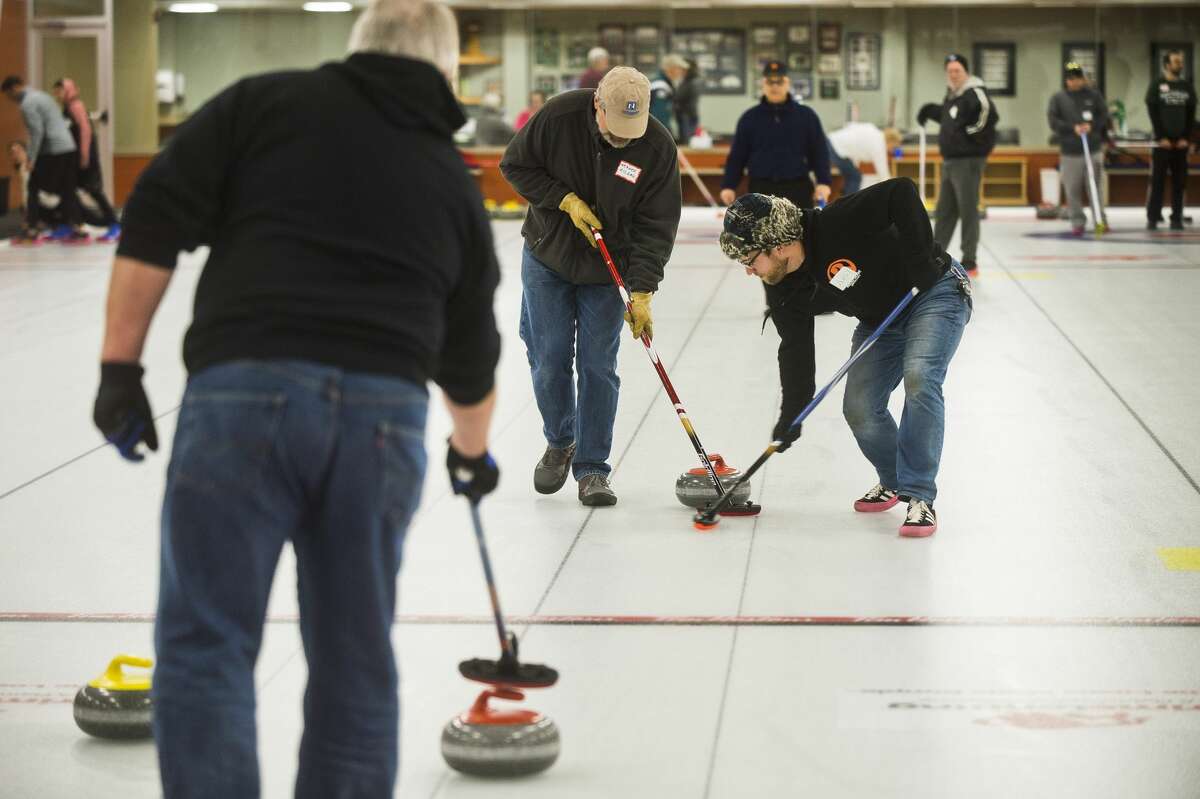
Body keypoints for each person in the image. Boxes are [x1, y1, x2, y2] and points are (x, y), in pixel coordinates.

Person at [89, 1, 501, 796]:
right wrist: (472, 454)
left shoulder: (264, 103)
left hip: (243, 396)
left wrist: (119, 367)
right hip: (382, 419)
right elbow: (471, 354)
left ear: (356, 45)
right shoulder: (450, 179)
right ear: (447, 71)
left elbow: (154, 212)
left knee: (207, 642)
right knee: (355, 660)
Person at [718, 179, 971, 537]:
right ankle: (895, 480)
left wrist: (920, 258)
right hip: (881, 320)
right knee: (860, 408)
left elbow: (901, 192)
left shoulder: (836, 222)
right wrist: (791, 414)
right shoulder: (782, 284)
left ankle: (919, 495)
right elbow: (795, 348)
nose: (748, 270)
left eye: (749, 259)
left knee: (920, 376)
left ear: (779, 245)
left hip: (933, 291)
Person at [500, 66, 681, 506]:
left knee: (599, 365)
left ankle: (593, 468)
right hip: (549, 255)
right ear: (597, 104)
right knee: (549, 357)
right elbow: (515, 165)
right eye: (614, 129)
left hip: (608, 268)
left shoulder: (656, 147)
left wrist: (642, 291)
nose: (622, 140)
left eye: (630, 131)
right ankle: (561, 441)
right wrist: (563, 200)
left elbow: (656, 226)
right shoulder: (559, 116)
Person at [916, 53, 998, 275]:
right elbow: (950, 119)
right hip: (950, 160)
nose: (953, 75)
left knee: (968, 209)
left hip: (968, 160)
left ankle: (969, 259)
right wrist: (930, 111)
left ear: (966, 72)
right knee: (945, 210)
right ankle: (934, 256)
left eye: (957, 71)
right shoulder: (953, 95)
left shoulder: (975, 92)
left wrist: (967, 137)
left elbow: (987, 117)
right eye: (950, 71)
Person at [719, 60, 831, 210]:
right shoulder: (749, 118)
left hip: (798, 189)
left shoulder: (806, 116)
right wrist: (728, 185)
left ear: (787, 83)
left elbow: (819, 152)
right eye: (770, 82)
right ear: (763, 84)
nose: (775, 86)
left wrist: (823, 182)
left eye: (779, 82)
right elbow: (737, 156)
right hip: (760, 191)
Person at [1, 75, 88, 243]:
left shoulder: (27, 104)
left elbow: (37, 132)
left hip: (53, 149)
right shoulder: (42, 96)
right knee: (67, 188)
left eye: (9, 96)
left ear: (14, 88)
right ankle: (78, 228)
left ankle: (31, 229)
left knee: (33, 186)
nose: (11, 100)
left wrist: (31, 158)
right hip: (68, 146)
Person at [52, 77, 120, 241]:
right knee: (67, 190)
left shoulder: (76, 106)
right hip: (74, 157)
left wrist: (84, 155)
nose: (57, 95)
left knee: (93, 190)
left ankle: (115, 225)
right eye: (56, 92)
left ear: (69, 90)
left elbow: (85, 131)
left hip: (85, 157)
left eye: (60, 91)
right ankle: (72, 225)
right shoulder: (67, 108)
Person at [1047, 62, 1110, 235]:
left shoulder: (1094, 96)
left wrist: (1092, 126)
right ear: (1066, 80)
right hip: (1070, 151)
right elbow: (1053, 121)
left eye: (1077, 78)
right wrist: (1072, 128)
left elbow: (1103, 115)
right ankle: (1077, 221)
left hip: (1093, 149)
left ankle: (1100, 220)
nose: (1074, 81)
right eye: (1070, 78)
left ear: (1083, 79)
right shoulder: (1058, 98)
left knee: (1095, 187)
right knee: (1072, 189)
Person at [1145, 48, 1196, 231]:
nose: (1180, 65)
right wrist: (1161, 137)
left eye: (1181, 62)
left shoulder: (1186, 87)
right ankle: (1153, 217)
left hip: (1181, 144)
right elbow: (1153, 112)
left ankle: (1177, 218)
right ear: (1167, 64)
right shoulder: (1157, 85)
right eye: (1176, 62)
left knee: (1179, 183)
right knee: (1157, 181)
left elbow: (1191, 114)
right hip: (1162, 143)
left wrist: (1186, 138)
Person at [826, 122, 902, 196]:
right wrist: (893, 190)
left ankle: (845, 198)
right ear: (891, 141)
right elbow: (883, 175)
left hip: (830, 141)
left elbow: (852, 130)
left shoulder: (874, 131)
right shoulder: (879, 144)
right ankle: (849, 202)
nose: (892, 150)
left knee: (852, 176)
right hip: (835, 148)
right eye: (893, 147)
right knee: (855, 177)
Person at [650, 53, 689, 140]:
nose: (681, 72)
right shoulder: (660, 86)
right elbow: (659, 116)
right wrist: (666, 135)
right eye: (679, 68)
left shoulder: (663, 83)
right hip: (656, 133)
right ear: (671, 69)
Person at [673, 58, 702, 143]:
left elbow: (679, 96)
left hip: (687, 115)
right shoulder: (690, 81)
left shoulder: (691, 82)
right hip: (688, 114)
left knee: (687, 140)